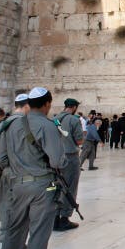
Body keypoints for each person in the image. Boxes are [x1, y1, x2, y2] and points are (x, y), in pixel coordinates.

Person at [0, 87, 64, 249]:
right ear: (47, 104)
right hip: (42, 186)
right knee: (39, 234)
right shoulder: (47, 125)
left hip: (16, 186)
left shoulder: (10, 124)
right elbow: (58, 161)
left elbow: (1, 159)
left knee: (14, 231)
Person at [0, 93, 29, 246]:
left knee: (6, 206)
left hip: (6, 171)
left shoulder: (2, 125)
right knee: (21, 209)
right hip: (21, 173)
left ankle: (6, 238)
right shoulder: (25, 124)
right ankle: (16, 243)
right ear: (27, 106)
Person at [54, 99, 83, 231]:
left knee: (56, 188)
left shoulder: (54, 119)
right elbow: (79, 140)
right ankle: (64, 219)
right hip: (70, 158)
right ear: (74, 107)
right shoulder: (74, 120)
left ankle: (54, 218)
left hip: (56, 158)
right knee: (70, 187)